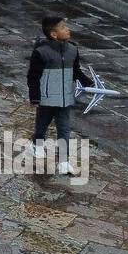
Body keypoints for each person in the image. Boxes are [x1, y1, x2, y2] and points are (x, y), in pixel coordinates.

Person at [28, 15, 87, 175]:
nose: (67, 29)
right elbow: (33, 76)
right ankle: (36, 144)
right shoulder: (41, 53)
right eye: (63, 27)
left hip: (65, 98)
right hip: (46, 99)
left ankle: (64, 162)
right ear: (53, 34)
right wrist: (35, 96)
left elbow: (76, 70)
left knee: (64, 129)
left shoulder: (73, 50)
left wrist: (85, 81)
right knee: (42, 126)